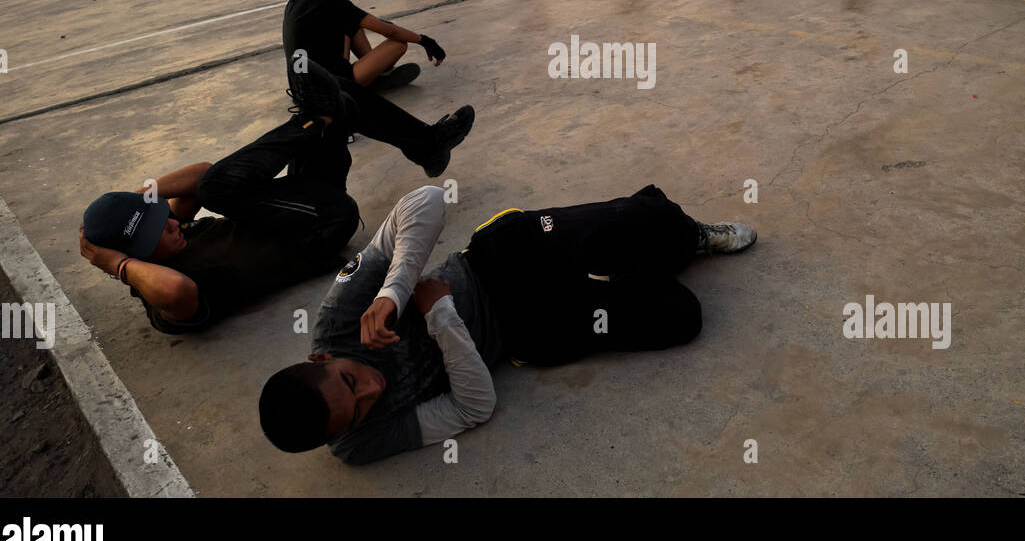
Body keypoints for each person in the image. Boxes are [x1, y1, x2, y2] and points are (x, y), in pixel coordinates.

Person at [258, 183, 757, 463]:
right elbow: (474, 407)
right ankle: (623, 261)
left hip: (501, 257)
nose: (372, 388)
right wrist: (440, 315)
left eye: (350, 380)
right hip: (524, 329)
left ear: (320, 357)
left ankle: (674, 231)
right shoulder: (359, 443)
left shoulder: (338, 318)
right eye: (359, 408)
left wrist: (394, 290)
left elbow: (426, 201)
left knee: (648, 222)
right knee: (681, 318)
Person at [78, 70, 359, 334]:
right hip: (320, 227)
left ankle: (327, 123)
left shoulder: (178, 234)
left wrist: (132, 203)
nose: (174, 224)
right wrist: (116, 263)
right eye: (158, 231)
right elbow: (176, 290)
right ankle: (314, 119)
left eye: (164, 219)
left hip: (302, 204)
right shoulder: (163, 300)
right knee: (216, 188)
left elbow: (198, 173)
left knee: (210, 182)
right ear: (136, 255)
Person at [282, 0, 475, 177]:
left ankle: (426, 143)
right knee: (371, 107)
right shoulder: (332, 3)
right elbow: (388, 31)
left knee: (351, 26)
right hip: (326, 89)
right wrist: (424, 40)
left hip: (302, 85)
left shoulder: (297, 0)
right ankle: (429, 142)